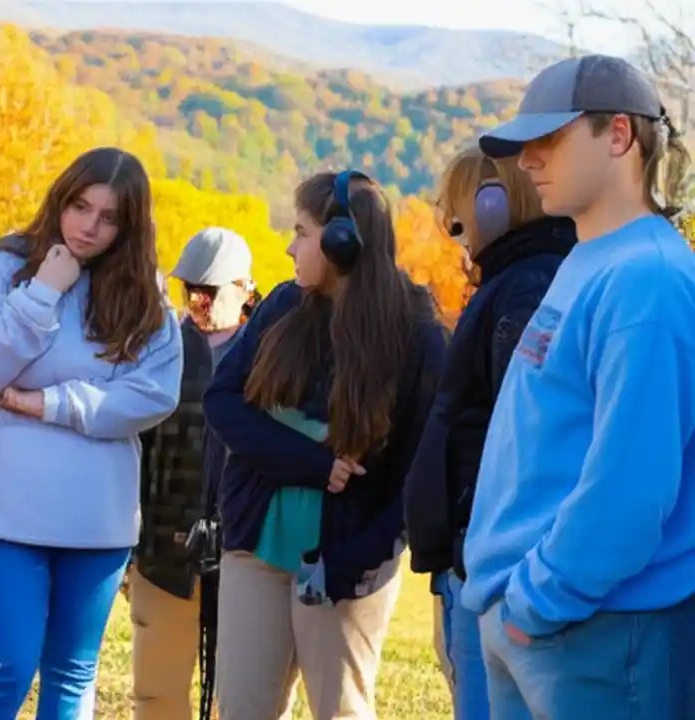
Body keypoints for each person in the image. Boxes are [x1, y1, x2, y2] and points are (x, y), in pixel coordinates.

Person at [460, 54, 695, 718]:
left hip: (597, 629)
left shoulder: (647, 278)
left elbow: (631, 487)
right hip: (540, 622)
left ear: (619, 135)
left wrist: (538, 600)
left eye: (550, 138)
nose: (528, 159)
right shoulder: (590, 260)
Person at [0, 146, 183, 719]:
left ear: (129, 227)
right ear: (60, 199)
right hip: (0, 511)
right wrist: (44, 292)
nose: (88, 227)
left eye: (108, 218)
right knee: (7, 669)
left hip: (98, 521)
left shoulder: (142, 292)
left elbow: (153, 395)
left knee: (73, 677)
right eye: (80, 207)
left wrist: (49, 403)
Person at [203, 170, 446, 719]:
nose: (290, 245)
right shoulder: (284, 305)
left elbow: (418, 466)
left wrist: (362, 559)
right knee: (241, 708)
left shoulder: (415, 332)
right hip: (256, 546)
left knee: (340, 710)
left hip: (344, 562)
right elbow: (223, 402)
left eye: (301, 231)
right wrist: (313, 464)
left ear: (342, 241)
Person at [402, 145, 576, 720]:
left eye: (459, 218)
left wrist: (471, 540)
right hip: (473, 560)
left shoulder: (523, 292)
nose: (457, 237)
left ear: (495, 204)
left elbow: (525, 437)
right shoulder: (513, 285)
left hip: (491, 569)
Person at [130, 227, 255, 720]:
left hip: (249, 551)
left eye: (211, 290)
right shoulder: (159, 350)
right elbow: (134, 450)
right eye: (190, 289)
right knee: (156, 695)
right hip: (163, 549)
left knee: (249, 700)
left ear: (245, 288)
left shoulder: (272, 351)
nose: (198, 301)